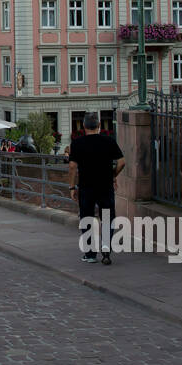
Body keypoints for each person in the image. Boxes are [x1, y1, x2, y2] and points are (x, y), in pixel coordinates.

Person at [69, 111, 125, 265]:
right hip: (105, 186)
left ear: (83, 126)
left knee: (86, 218)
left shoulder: (77, 143)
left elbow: (72, 166)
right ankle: (106, 250)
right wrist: (113, 175)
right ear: (99, 125)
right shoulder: (109, 141)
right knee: (107, 217)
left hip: (86, 187)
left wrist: (72, 187)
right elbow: (122, 162)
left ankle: (90, 254)